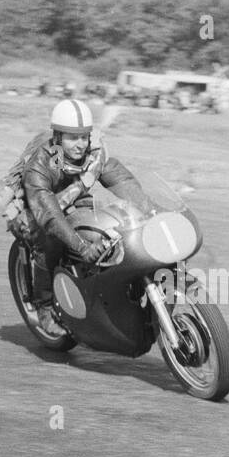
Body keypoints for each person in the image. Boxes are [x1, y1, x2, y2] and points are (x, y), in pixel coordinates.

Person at [11, 98, 153, 334]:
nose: (80, 144)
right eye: (72, 137)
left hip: (73, 196)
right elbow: (49, 213)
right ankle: (44, 306)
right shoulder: (40, 165)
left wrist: (151, 210)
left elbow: (122, 181)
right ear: (57, 138)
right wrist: (81, 247)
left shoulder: (93, 156)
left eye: (83, 136)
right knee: (51, 240)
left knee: (106, 225)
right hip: (38, 204)